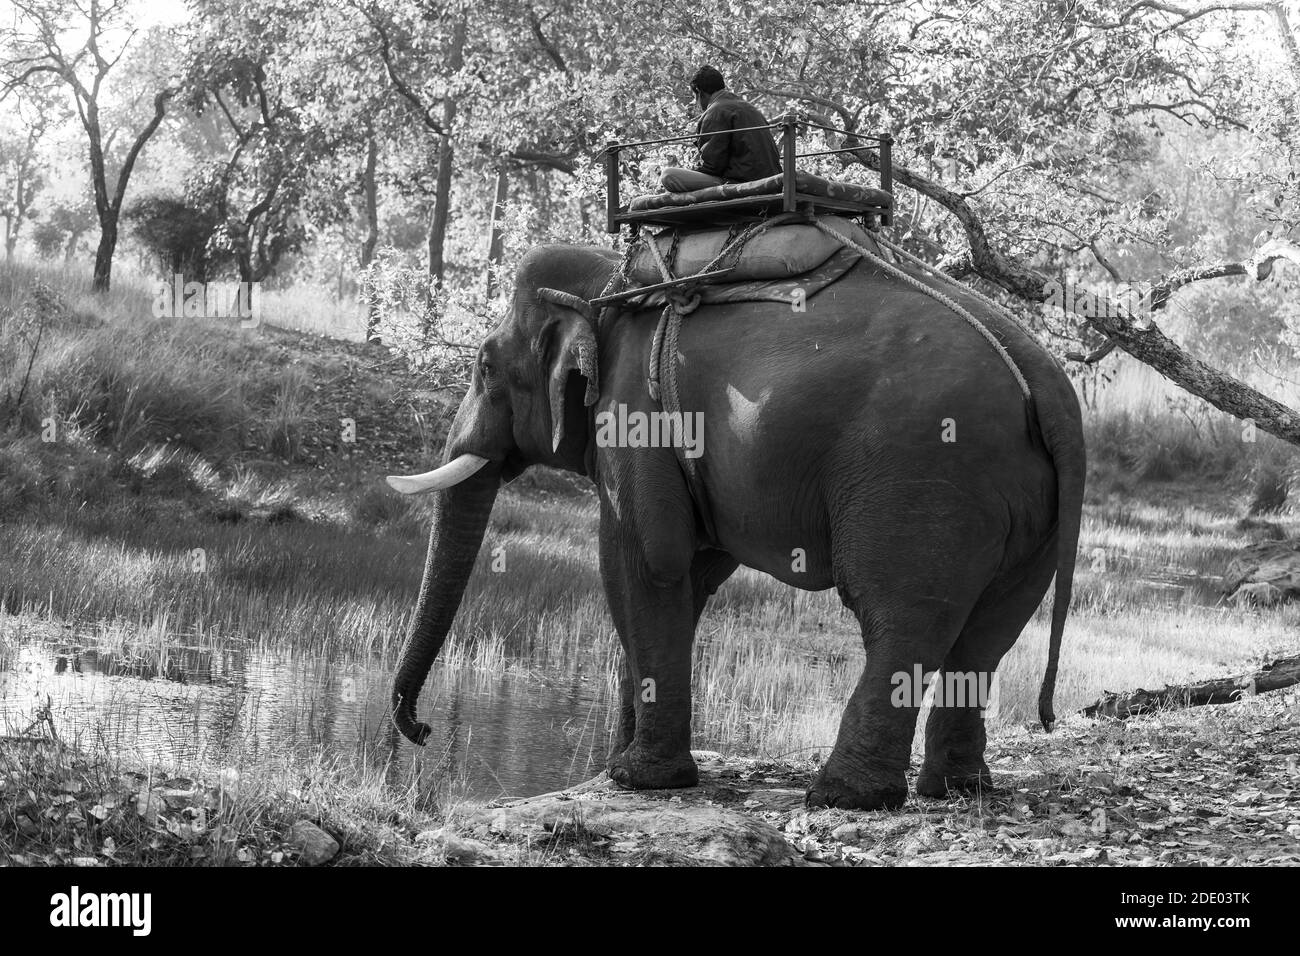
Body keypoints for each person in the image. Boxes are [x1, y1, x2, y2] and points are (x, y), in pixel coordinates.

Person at [659, 66, 782, 193]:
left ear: (699, 91)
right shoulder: (749, 108)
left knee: (668, 175)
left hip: (743, 183)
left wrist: (693, 170)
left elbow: (712, 167)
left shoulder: (716, 111)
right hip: (771, 181)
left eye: (695, 97)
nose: (697, 103)